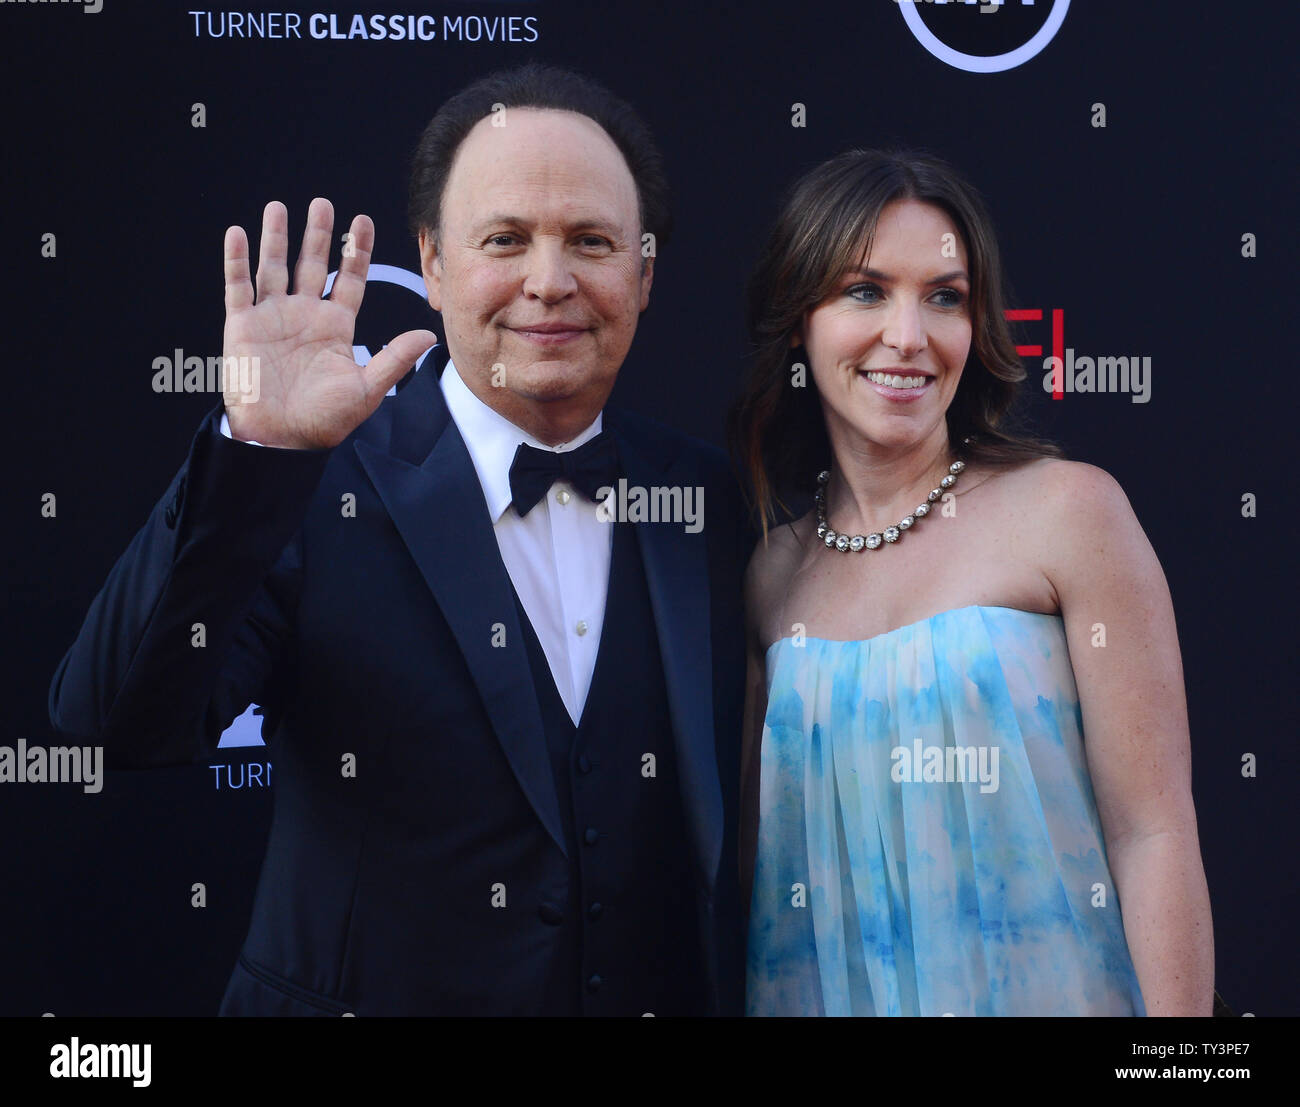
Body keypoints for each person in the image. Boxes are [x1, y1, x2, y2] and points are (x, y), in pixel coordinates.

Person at [48, 63, 748, 1016]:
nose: (551, 281)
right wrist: (255, 452)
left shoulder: (705, 494)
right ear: (431, 261)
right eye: (506, 239)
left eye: (591, 240)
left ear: (645, 272)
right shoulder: (307, 481)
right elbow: (114, 717)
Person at [731, 149, 1214, 1016]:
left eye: (945, 296)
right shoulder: (773, 576)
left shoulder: (1069, 512)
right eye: (866, 291)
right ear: (799, 319)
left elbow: (1153, 834)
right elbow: (756, 886)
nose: (909, 336)